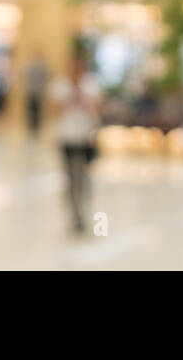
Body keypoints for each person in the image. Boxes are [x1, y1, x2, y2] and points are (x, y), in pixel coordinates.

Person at [48, 53, 102, 234]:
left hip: (85, 138)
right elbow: (54, 111)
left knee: (84, 177)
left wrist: (84, 100)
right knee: (70, 177)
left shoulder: (91, 86)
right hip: (67, 138)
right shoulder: (60, 86)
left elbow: (97, 111)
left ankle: (83, 210)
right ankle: (73, 212)